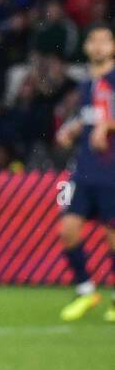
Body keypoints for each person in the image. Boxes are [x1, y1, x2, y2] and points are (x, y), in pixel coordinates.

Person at [56, 24, 115, 322]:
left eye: (105, 40)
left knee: (112, 235)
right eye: (93, 40)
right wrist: (73, 129)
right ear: (86, 46)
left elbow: (105, 119)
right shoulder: (86, 83)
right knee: (68, 230)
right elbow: (90, 116)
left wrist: (107, 126)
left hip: (112, 169)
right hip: (86, 169)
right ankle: (85, 290)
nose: (99, 45)